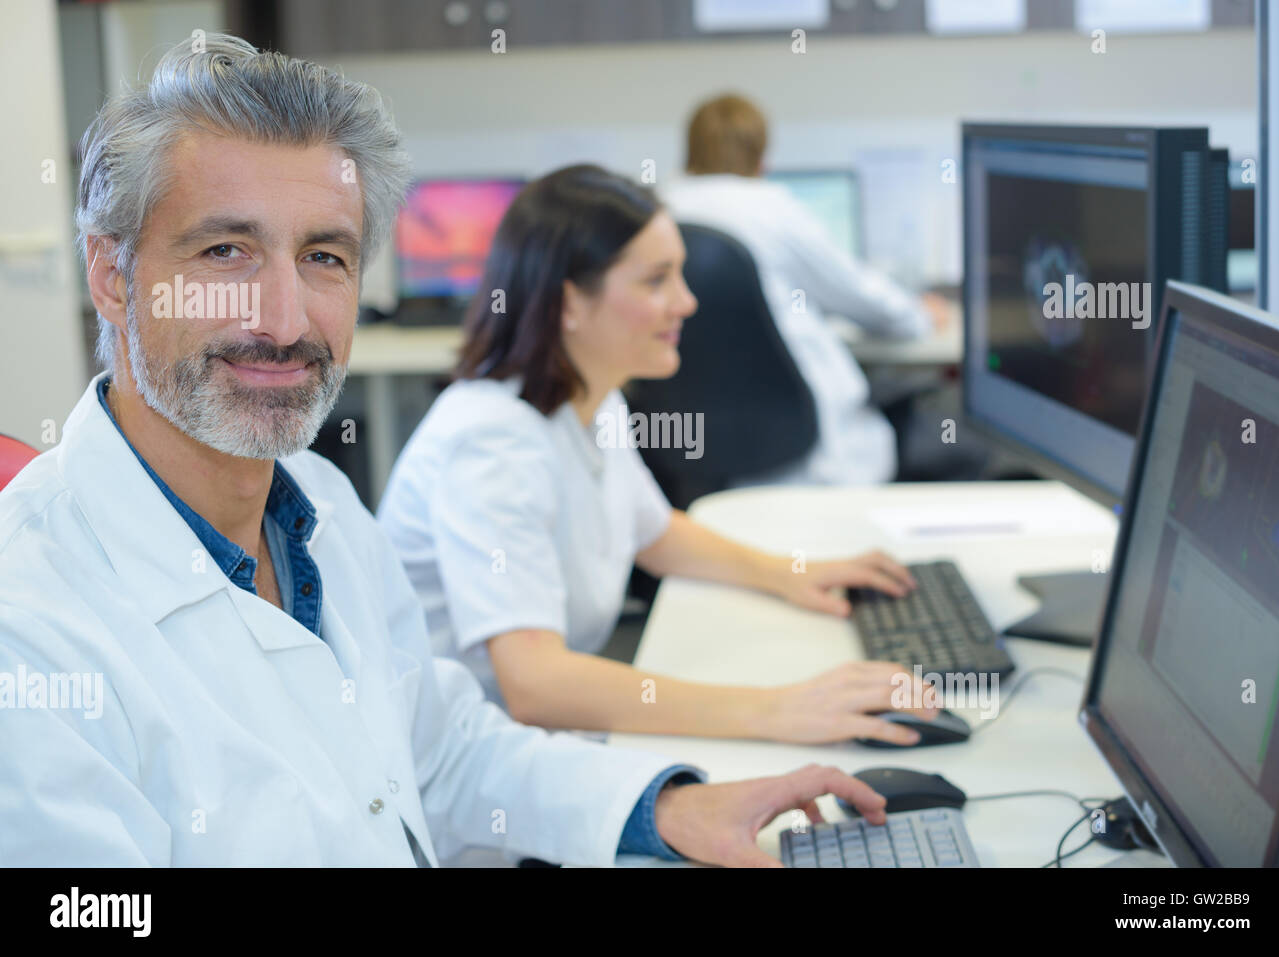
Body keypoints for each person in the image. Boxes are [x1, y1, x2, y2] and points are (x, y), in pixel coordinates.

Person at [0, 35, 893, 868]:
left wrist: (665, 809)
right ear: (114, 276)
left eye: (324, 257)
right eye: (226, 250)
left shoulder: (322, 507)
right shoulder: (29, 633)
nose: (283, 321)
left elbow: (442, 748)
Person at [378, 164, 938, 745]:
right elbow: (535, 684)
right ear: (569, 302)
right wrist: (775, 712)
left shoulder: (593, 395)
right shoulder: (492, 444)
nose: (687, 303)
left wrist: (793, 574)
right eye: (657, 281)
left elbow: (650, 530)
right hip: (465, 777)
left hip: (539, 743)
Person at [658, 93, 952, 486]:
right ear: (762, 157)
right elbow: (865, 298)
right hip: (809, 460)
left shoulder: (656, 209)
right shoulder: (771, 206)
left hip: (694, 462)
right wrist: (918, 314)